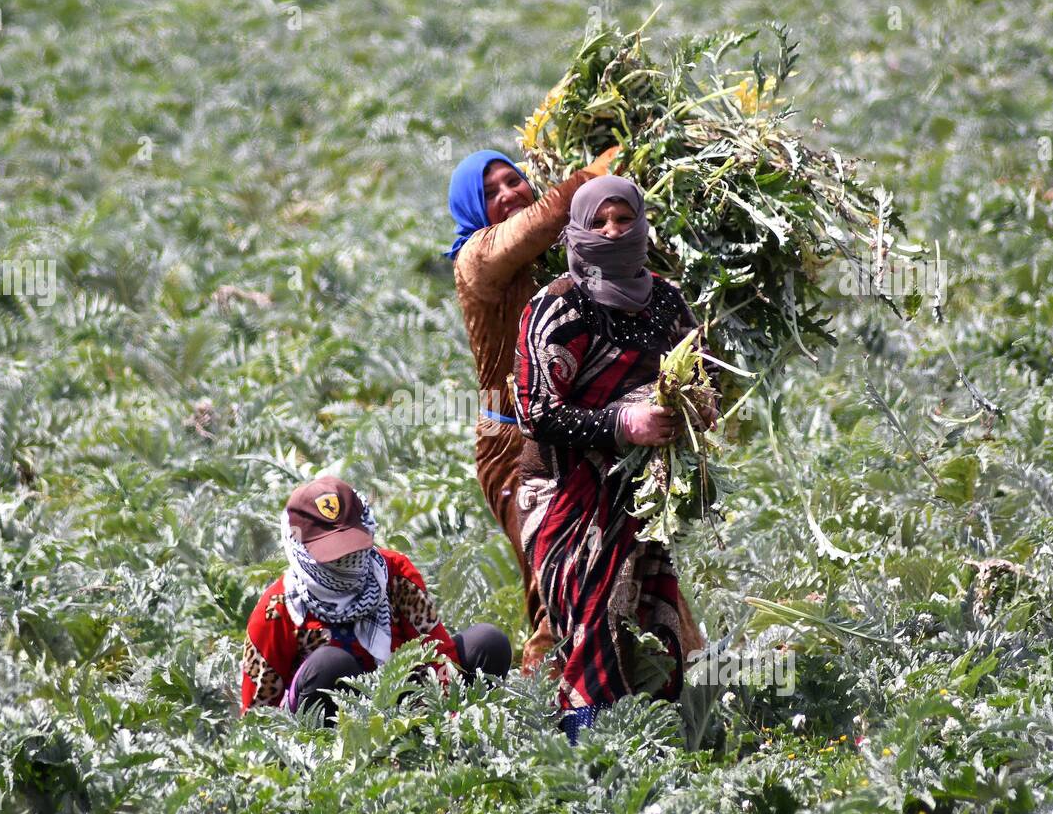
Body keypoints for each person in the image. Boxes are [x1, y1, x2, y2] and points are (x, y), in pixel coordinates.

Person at [512, 176, 714, 743]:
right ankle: (587, 753)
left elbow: (699, 371)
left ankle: (660, 745)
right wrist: (624, 423)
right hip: (562, 492)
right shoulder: (557, 308)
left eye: (623, 220)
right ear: (576, 230)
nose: (611, 232)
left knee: (652, 619)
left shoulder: (668, 301)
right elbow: (537, 412)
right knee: (590, 623)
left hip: (638, 497)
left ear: (642, 225)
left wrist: (697, 407)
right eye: (598, 222)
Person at [446, 144, 620, 676]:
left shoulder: (558, 253)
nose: (506, 195)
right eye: (490, 191)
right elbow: (542, 219)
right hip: (514, 445)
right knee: (557, 583)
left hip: (576, 429)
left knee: (616, 567)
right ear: (472, 209)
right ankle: (540, 714)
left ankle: (635, 687)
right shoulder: (477, 258)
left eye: (513, 181)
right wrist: (595, 178)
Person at [240, 476, 512, 721]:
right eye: (335, 554)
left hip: (406, 701)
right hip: (331, 728)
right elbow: (258, 714)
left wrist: (446, 713)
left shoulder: (394, 572)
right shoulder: (276, 611)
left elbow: (435, 649)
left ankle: (465, 736)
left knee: (487, 643)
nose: (348, 561)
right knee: (332, 666)